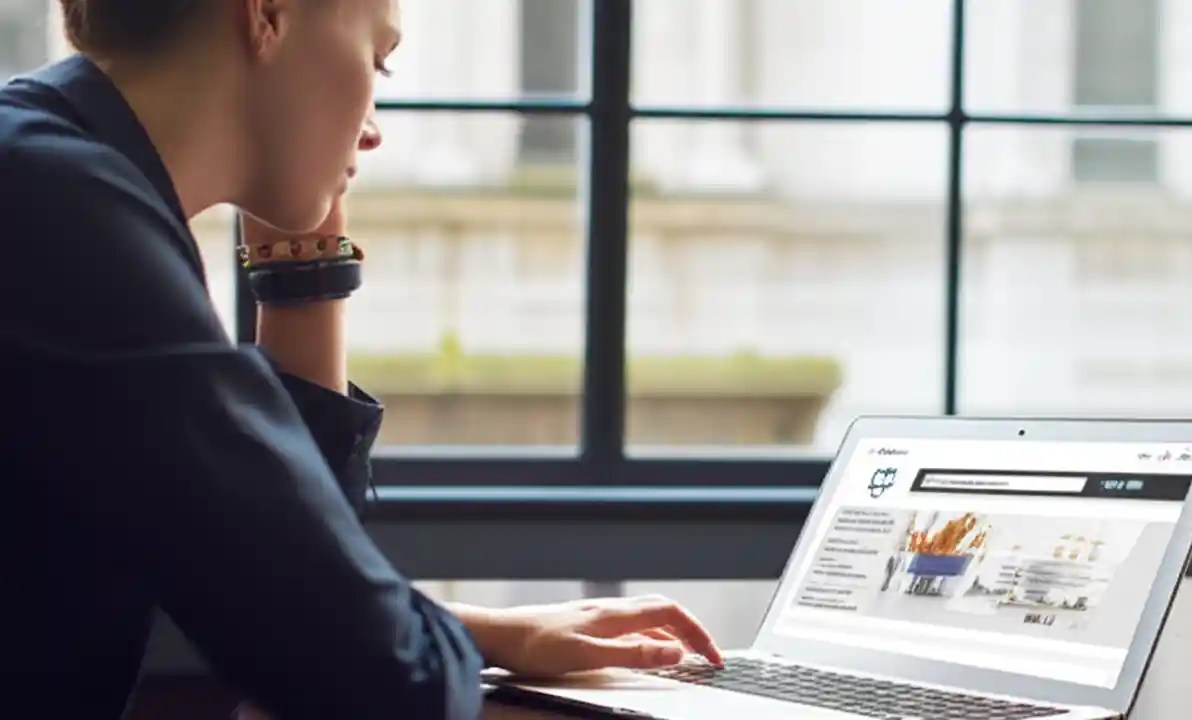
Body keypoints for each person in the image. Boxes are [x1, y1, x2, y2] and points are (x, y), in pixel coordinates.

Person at [0, 1, 724, 718]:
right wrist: (434, 640)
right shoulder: (67, 218)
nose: (373, 130)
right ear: (268, 14)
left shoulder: (48, 168)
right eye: (376, 61)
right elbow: (366, 676)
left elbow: (270, 591)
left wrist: (305, 275)